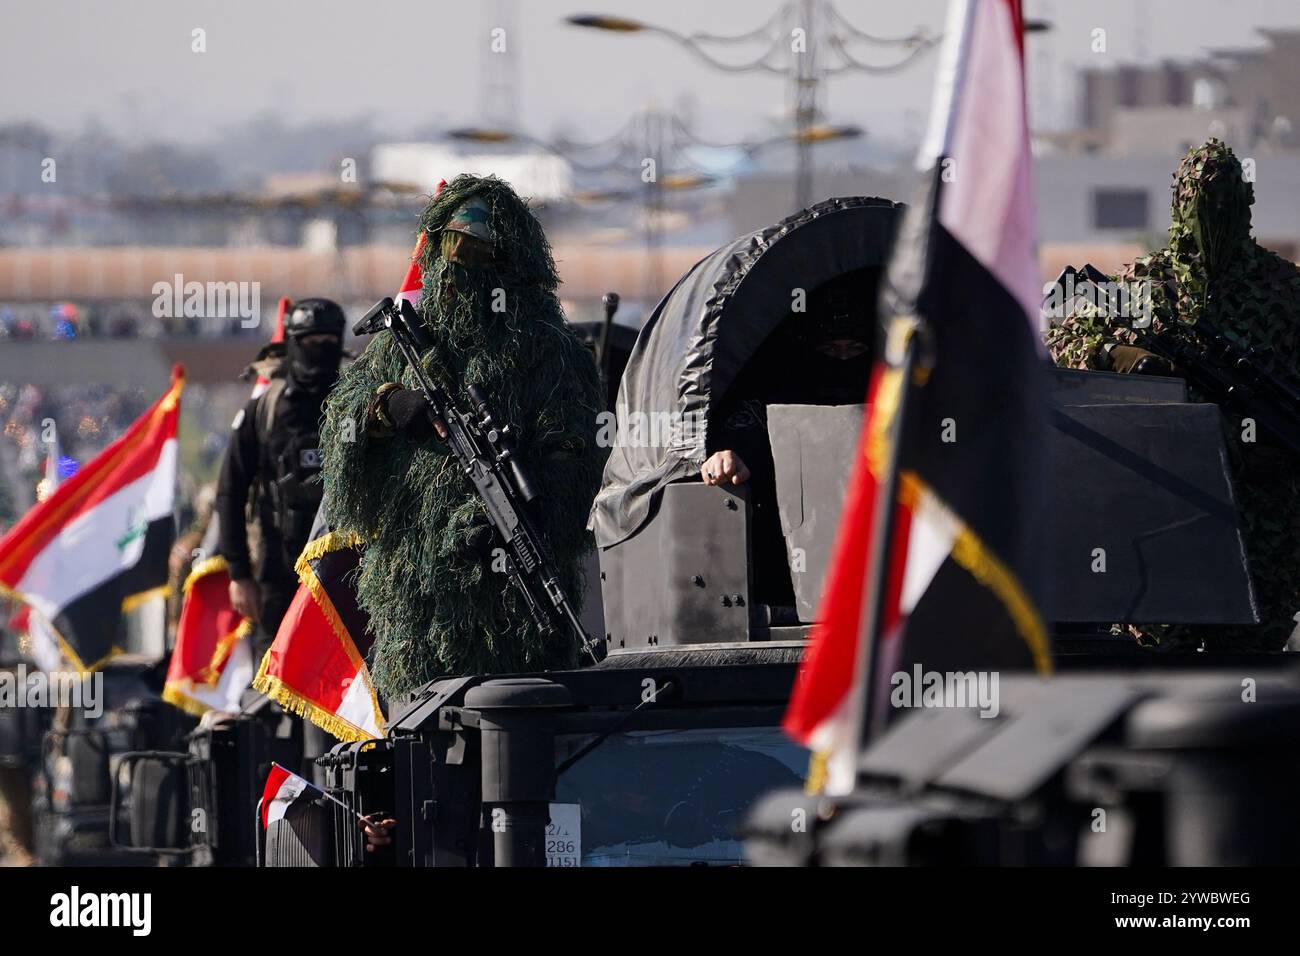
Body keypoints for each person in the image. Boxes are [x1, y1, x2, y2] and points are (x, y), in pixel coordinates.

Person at [320, 175, 605, 696]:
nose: (456, 267)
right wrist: (387, 405)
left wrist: (509, 516)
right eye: (450, 247)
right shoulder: (404, 340)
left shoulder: (549, 352)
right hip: (418, 600)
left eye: (473, 252)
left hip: (515, 608)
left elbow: (579, 463)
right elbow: (342, 420)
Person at [1046, 139, 1300, 650]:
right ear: (1182, 206)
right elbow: (1066, 332)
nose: (1215, 217)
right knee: (1155, 657)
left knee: (1251, 671)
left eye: (1225, 202)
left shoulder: (1283, 289)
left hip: (1262, 524)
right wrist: (1128, 360)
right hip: (1164, 505)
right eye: (1205, 203)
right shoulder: (1146, 282)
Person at [700, 268, 880, 608]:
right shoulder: (779, 395)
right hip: (791, 578)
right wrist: (731, 457)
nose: (843, 359)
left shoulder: (896, 404)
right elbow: (748, 440)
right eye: (831, 348)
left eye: (854, 348)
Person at [216, 299, 346, 657]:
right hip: (277, 570)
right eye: (310, 341)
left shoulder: (355, 403)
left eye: (328, 341)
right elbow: (230, 493)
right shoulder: (265, 409)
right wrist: (239, 574)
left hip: (345, 570)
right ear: (292, 343)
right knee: (274, 675)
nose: (320, 350)